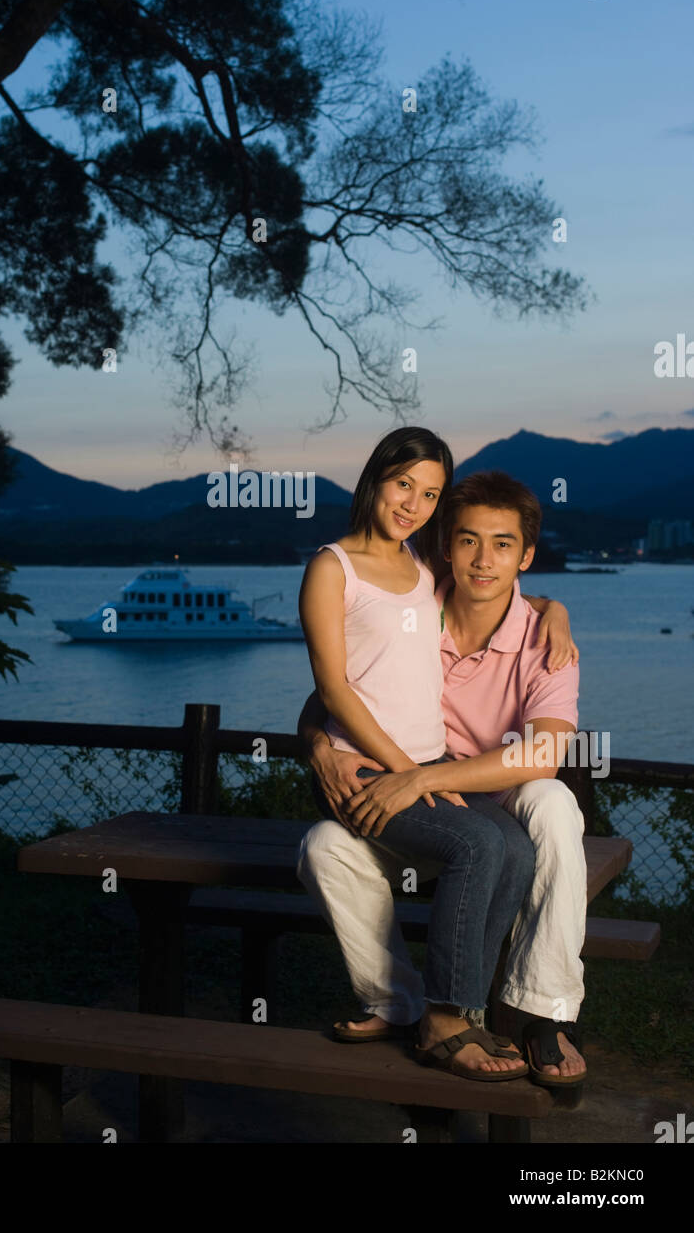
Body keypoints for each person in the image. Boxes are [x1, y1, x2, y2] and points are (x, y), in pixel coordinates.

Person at [297, 428, 575, 1081]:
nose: (413, 504)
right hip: (367, 771)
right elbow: (332, 687)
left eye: (429, 494)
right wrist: (367, 762)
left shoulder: (423, 570)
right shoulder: (331, 566)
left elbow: (493, 582)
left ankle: (462, 1013)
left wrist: (552, 607)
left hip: (421, 769)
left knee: (516, 845)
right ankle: (446, 1021)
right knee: (477, 847)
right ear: (376, 478)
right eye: (403, 486)